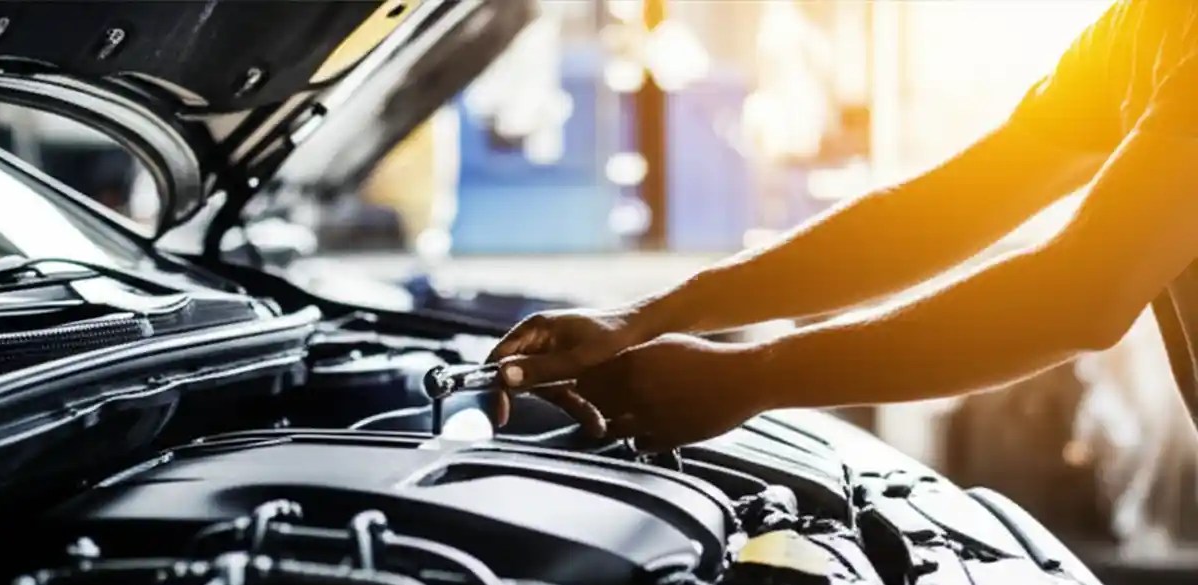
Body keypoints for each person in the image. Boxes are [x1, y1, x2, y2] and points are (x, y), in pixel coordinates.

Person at [487, 0, 1198, 453]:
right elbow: (942, 212)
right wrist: (645, 316)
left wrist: (754, 377)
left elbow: (1079, 295)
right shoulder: (1145, 26)